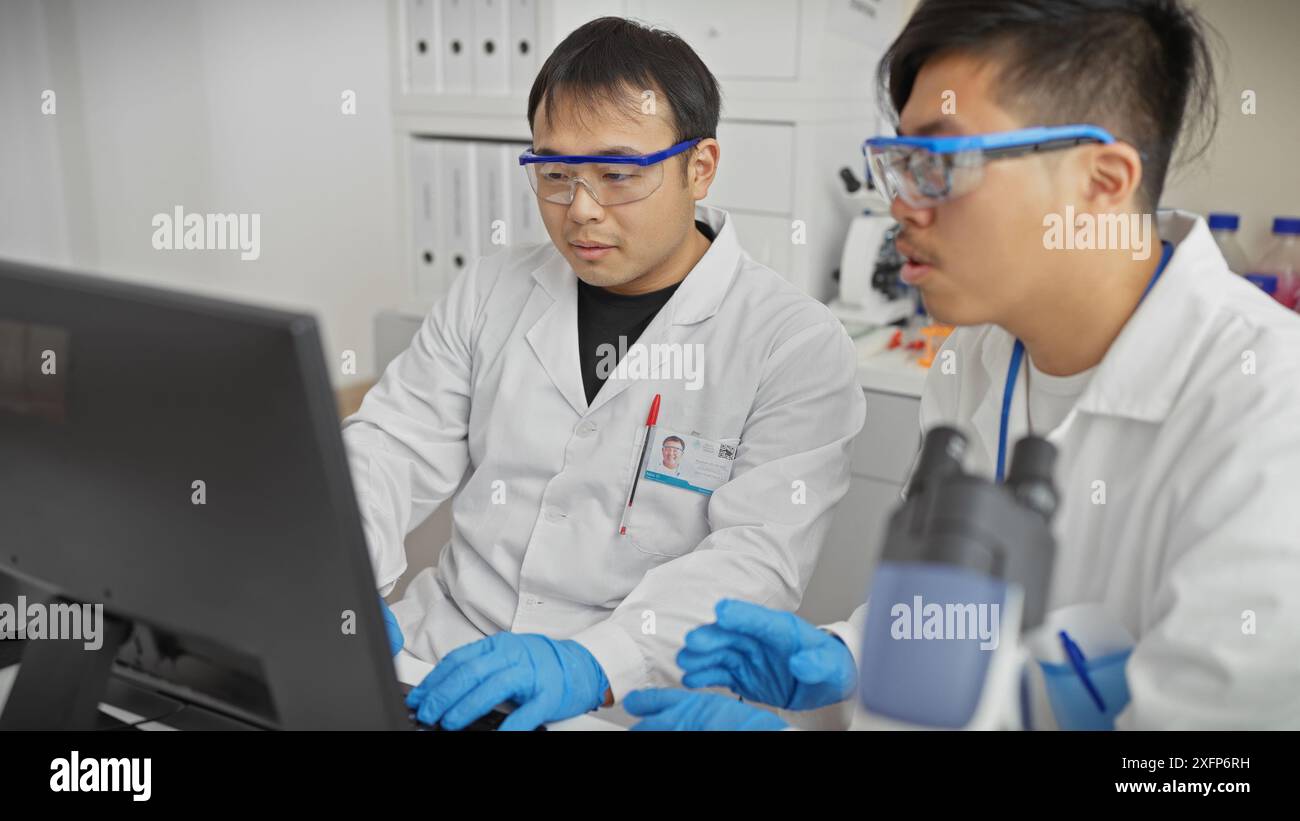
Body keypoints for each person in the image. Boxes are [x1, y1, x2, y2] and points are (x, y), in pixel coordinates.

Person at [625, 0, 1300, 731]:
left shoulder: (1269, 411)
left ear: (1102, 183)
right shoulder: (976, 358)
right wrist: (856, 656)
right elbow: (960, 640)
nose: (903, 205)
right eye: (901, 162)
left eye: (942, 163)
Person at [345, 17, 866, 731]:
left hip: (632, 700)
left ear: (701, 166)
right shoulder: (493, 287)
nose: (580, 209)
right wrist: (339, 576)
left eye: (618, 174)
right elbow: (388, 447)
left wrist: (595, 662)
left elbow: (754, 562)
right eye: (555, 174)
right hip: (443, 653)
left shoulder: (793, 343)